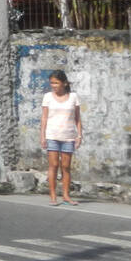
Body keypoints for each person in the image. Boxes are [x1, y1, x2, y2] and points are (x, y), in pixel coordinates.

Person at [40, 69, 83, 205]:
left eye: (56, 83)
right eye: (51, 83)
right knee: (53, 165)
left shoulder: (73, 97)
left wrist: (79, 135)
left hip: (69, 136)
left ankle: (66, 195)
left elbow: (77, 118)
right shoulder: (47, 97)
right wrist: (42, 135)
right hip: (52, 135)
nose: (53, 85)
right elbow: (44, 118)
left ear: (64, 83)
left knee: (66, 167)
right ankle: (53, 196)